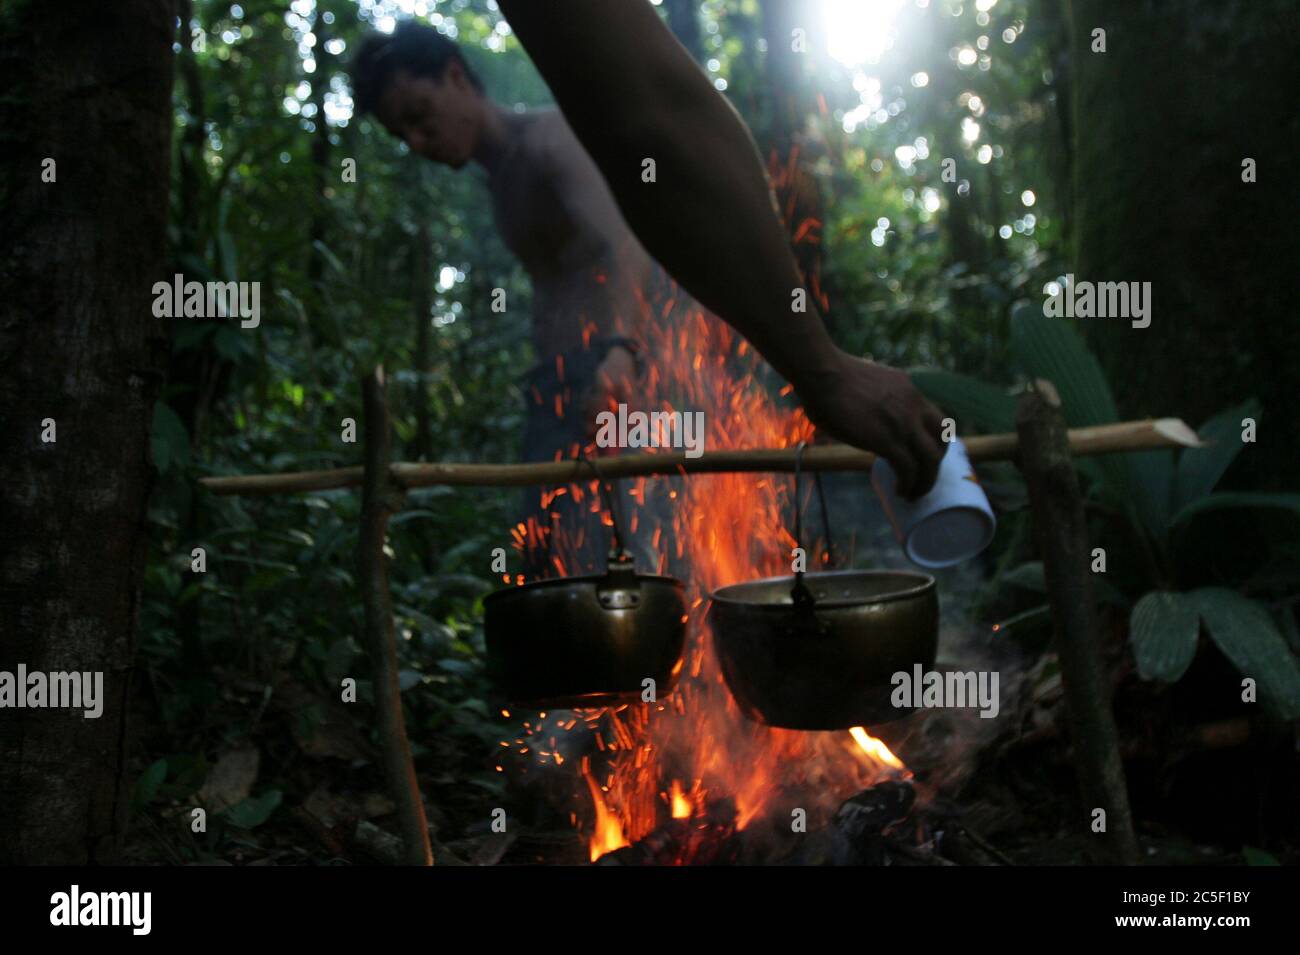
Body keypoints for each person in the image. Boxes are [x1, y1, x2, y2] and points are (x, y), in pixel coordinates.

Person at [350, 9, 945, 573]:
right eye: (402, 133)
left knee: (646, 553)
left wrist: (620, 351)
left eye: (419, 114)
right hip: (567, 389)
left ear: (456, 76)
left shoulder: (550, 141)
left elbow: (619, 244)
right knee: (565, 560)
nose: (418, 140)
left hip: (621, 378)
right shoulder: (501, 177)